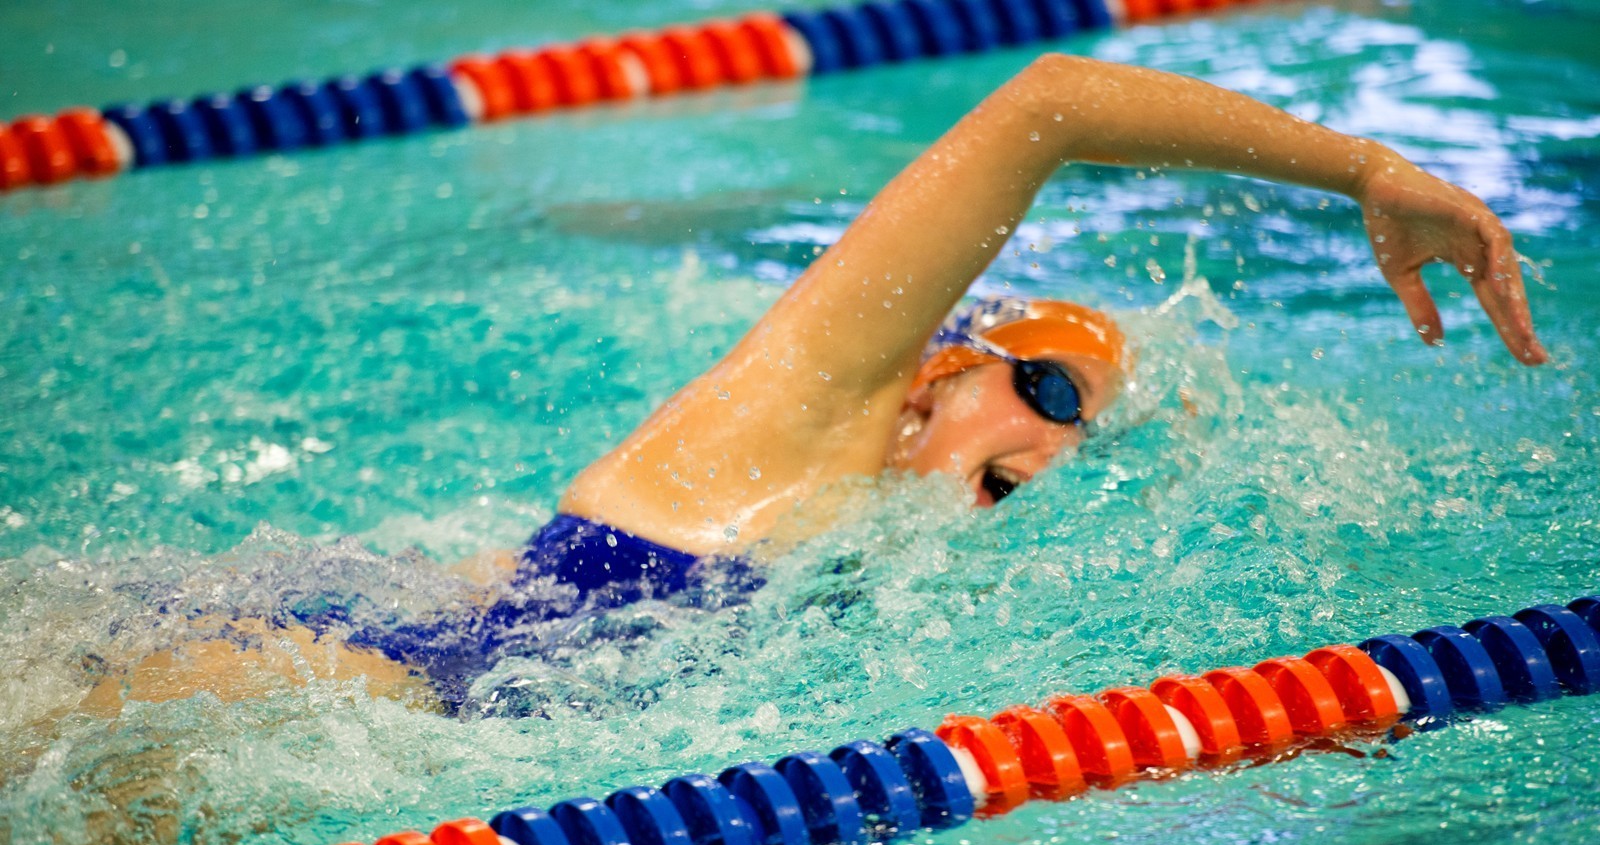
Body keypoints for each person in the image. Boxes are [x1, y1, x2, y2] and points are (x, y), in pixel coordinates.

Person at [78, 53, 1547, 715]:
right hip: (289, 694)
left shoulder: (869, 544)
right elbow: (1048, 103)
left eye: (1081, 428)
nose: (1060, 436)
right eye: (1046, 388)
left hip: (382, 679)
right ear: (944, 361)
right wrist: (1367, 167)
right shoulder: (825, 398)